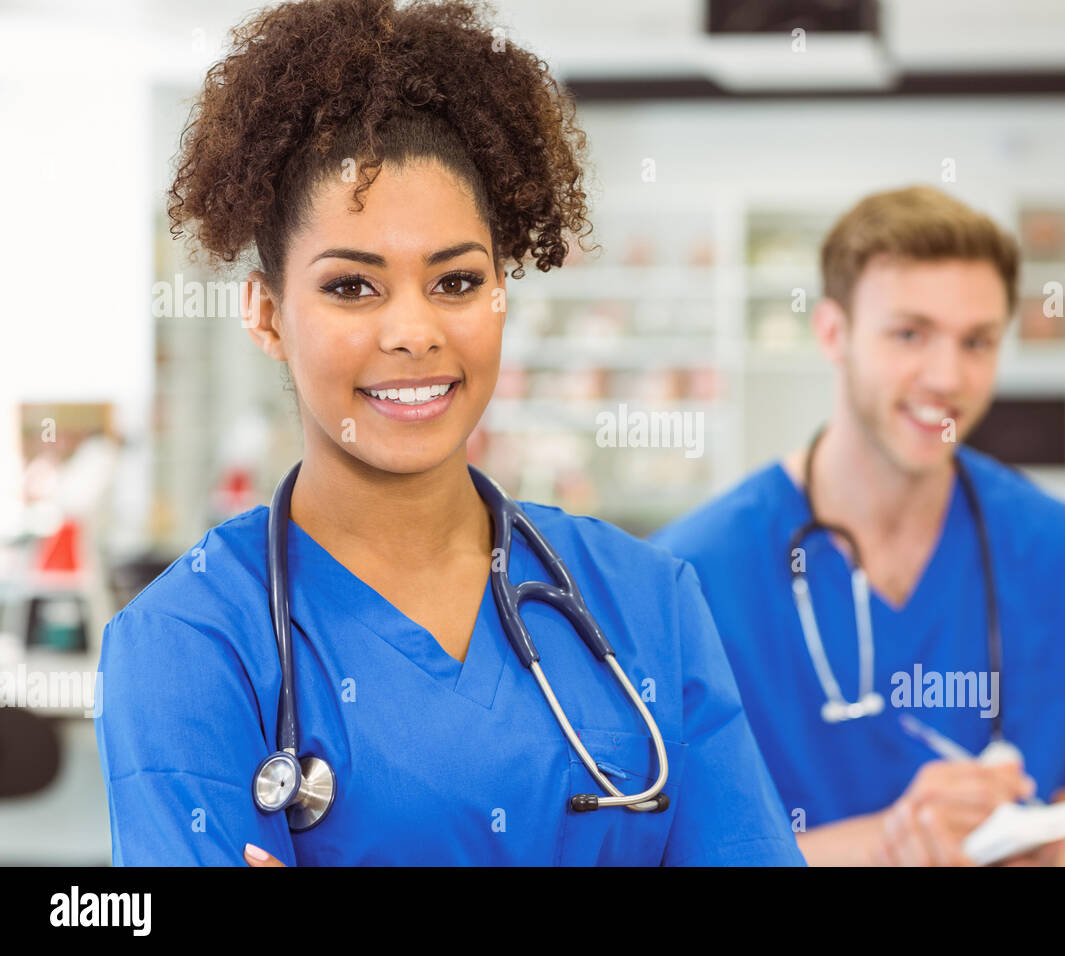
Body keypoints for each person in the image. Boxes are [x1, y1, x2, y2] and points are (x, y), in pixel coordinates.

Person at [94, 0, 804, 867]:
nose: (414, 331)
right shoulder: (189, 642)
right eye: (353, 288)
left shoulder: (650, 601)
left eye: (457, 282)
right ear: (267, 314)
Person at [651, 186, 1065, 866]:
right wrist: (890, 843)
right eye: (909, 334)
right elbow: (668, 853)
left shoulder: (1063, 554)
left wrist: (1040, 849)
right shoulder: (692, 575)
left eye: (977, 341)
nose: (947, 377)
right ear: (833, 333)